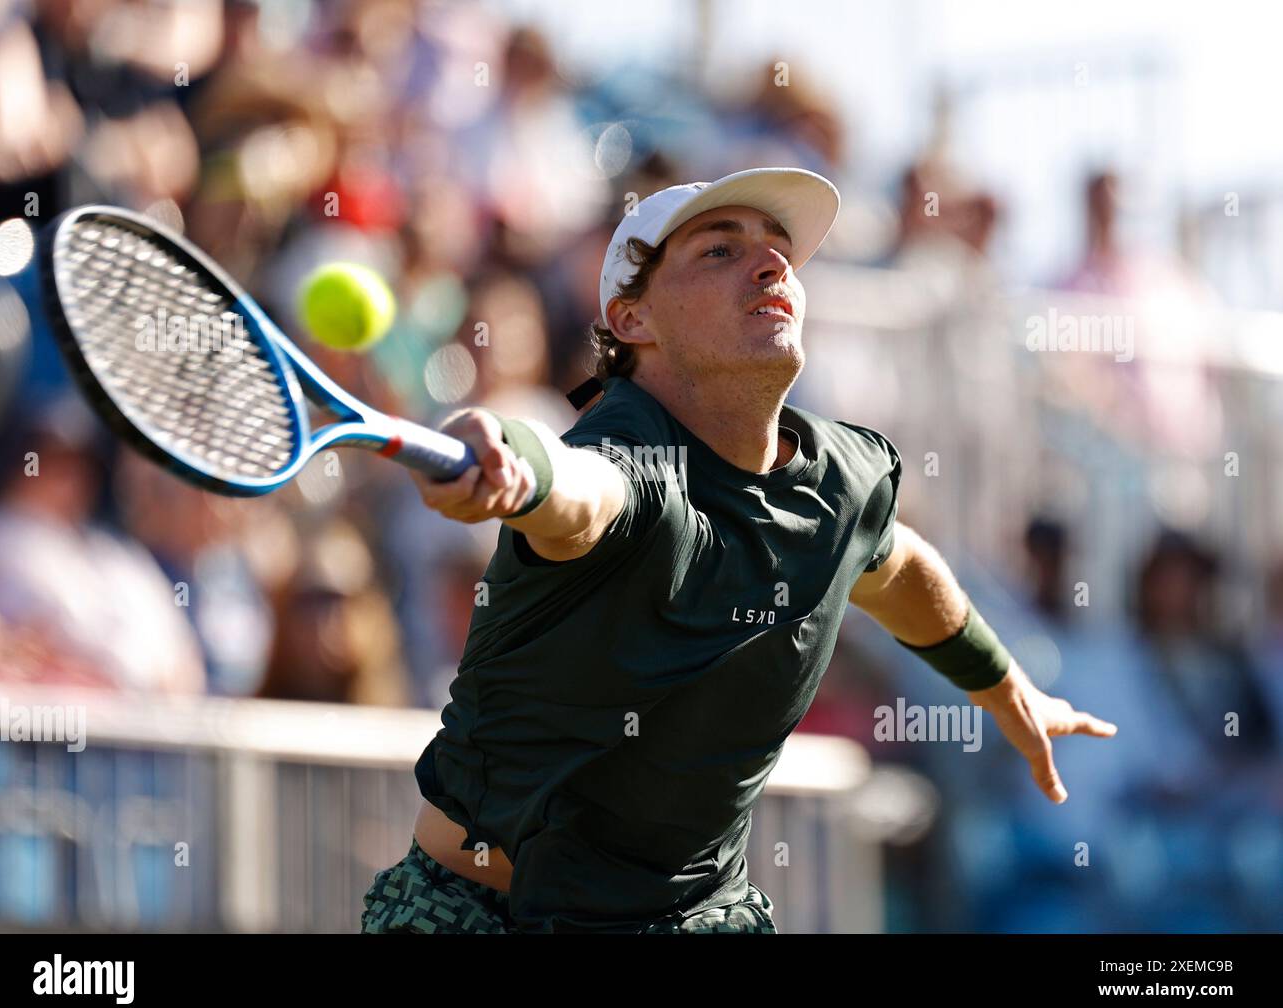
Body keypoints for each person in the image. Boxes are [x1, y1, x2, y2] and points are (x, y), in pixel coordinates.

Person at [360, 167, 1118, 935]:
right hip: (478, 918)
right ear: (632, 320)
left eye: (779, 249)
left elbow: (899, 568)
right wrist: (513, 465)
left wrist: (1001, 684)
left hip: (700, 920)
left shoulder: (841, 485)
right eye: (719, 251)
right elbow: (577, 489)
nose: (770, 264)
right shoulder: (628, 462)